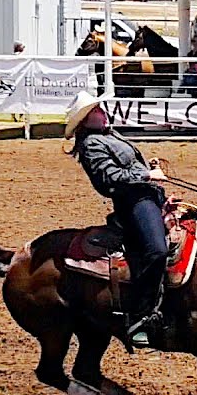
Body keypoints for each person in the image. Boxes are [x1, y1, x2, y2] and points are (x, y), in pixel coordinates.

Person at [64, 90, 169, 348]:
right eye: (97, 110)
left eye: (100, 108)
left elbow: (126, 167)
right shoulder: (91, 145)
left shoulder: (108, 135)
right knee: (157, 251)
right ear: (86, 120)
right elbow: (107, 179)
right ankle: (140, 318)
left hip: (147, 196)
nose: (103, 112)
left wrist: (148, 172)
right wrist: (147, 176)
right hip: (134, 202)